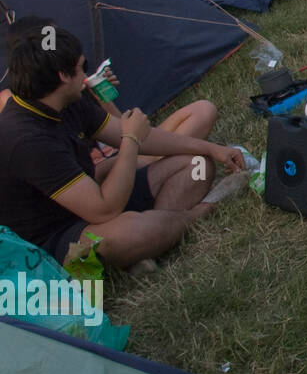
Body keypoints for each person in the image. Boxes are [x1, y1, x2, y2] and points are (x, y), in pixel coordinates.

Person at [0, 22, 246, 270]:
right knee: (122, 235)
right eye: (81, 67)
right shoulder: (26, 139)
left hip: (92, 202)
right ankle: (197, 214)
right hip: (57, 242)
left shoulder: (63, 100)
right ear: (63, 76)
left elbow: (141, 137)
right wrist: (130, 141)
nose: (85, 76)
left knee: (197, 166)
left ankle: (152, 240)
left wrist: (209, 149)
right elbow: (104, 210)